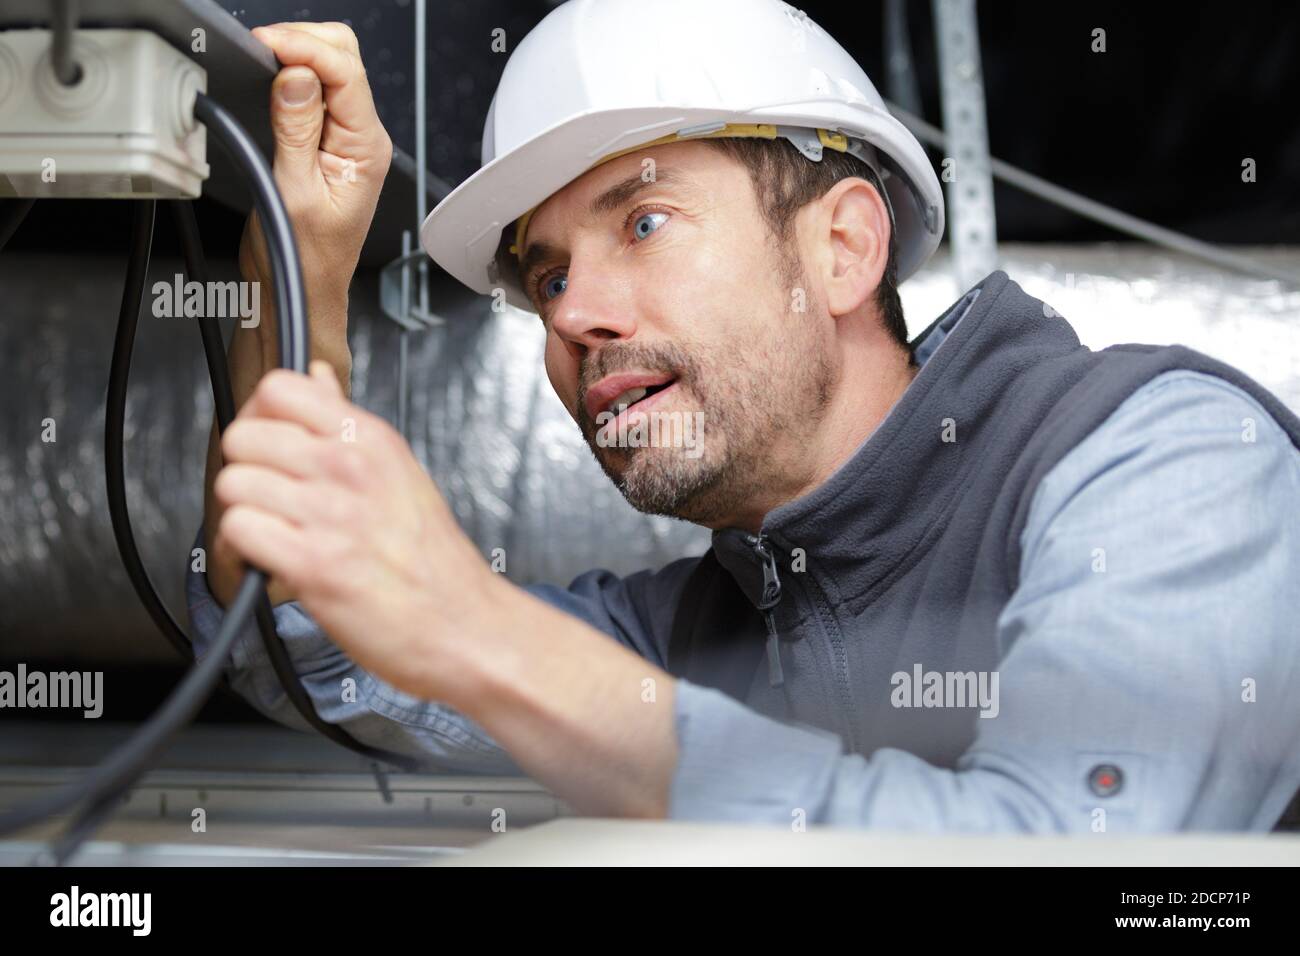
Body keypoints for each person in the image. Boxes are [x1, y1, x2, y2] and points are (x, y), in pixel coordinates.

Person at [188, 3, 1300, 830]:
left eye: (646, 223)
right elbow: (308, 647)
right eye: (547, 277)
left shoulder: (1163, 458)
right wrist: (298, 272)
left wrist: (480, 628)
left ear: (842, 247)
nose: (576, 312)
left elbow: (1081, 860)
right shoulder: (697, 630)